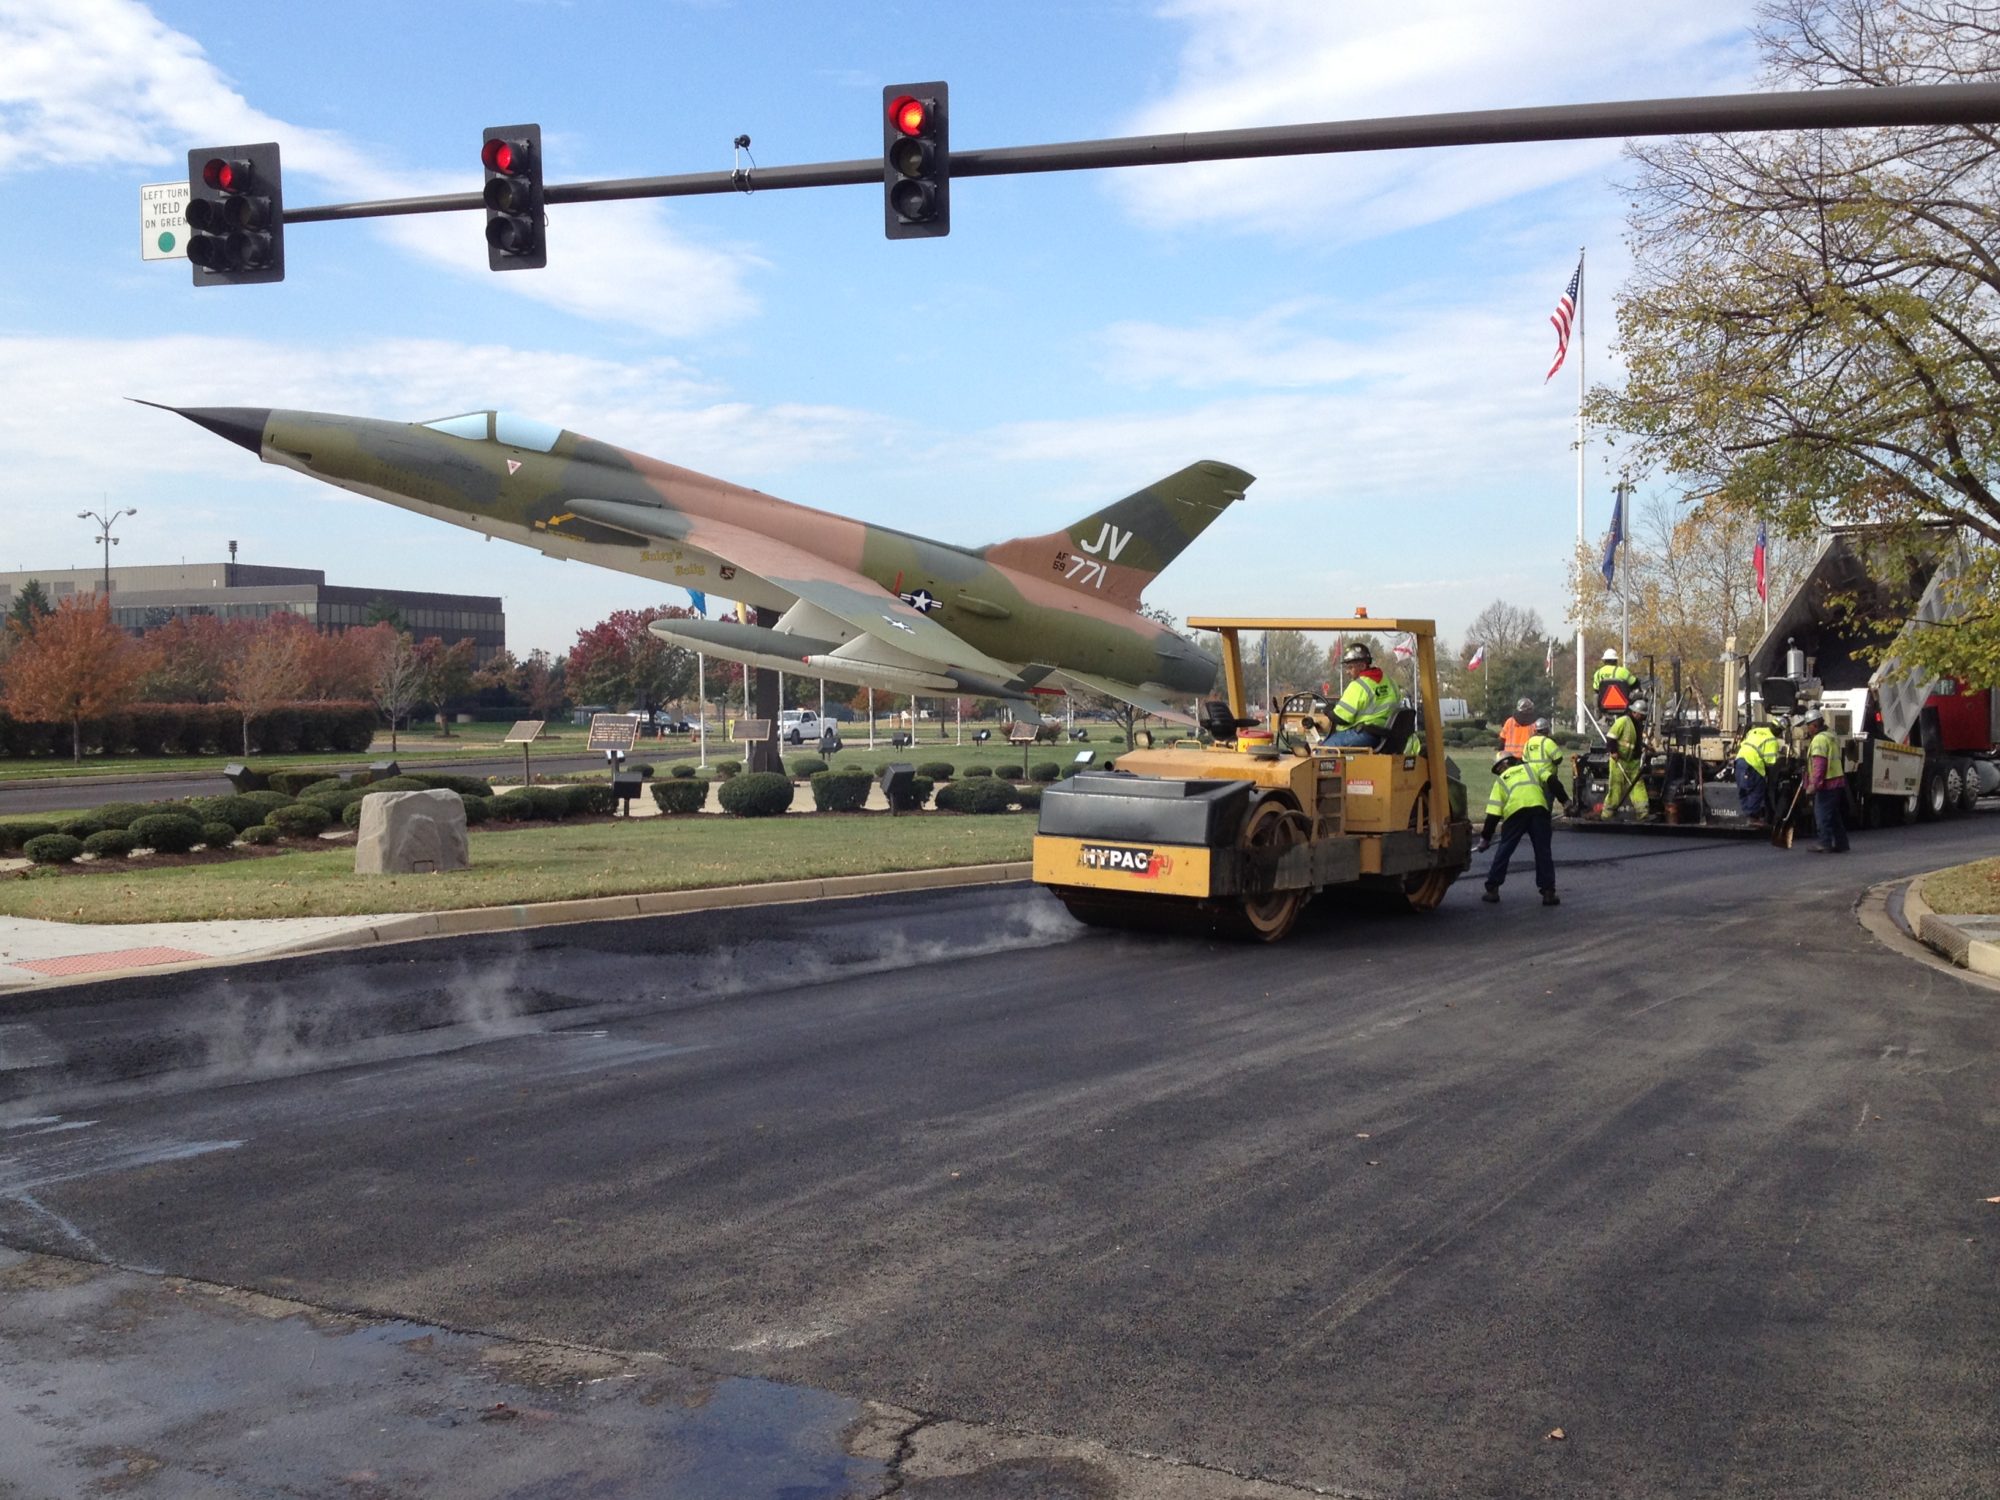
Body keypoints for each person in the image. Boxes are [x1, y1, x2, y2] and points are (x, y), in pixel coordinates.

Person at [1477, 750, 1563, 905]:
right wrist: (1566, 801)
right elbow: (1553, 781)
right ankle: (1548, 892)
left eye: (1498, 769)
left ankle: (1492, 889)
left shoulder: (1501, 781)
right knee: (1543, 852)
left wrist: (1485, 838)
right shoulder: (1532, 768)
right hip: (1538, 811)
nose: (1498, 772)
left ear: (1505, 764)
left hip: (1515, 815)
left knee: (1505, 850)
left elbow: (1493, 814)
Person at [1325, 643, 1401, 746]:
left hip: (1365, 735)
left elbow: (1341, 718)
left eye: (1350, 667)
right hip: (1386, 735)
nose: (1347, 672)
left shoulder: (1358, 686)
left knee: (1322, 751)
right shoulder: (1390, 681)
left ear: (1362, 666)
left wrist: (1328, 711)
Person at [1803, 707, 1850, 853]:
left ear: (1814, 725)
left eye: (1808, 725)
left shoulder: (1819, 740)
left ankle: (1825, 842)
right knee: (1834, 815)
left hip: (1827, 784)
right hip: (1837, 781)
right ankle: (1842, 843)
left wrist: (1813, 785)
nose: (1807, 729)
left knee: (1822, 814)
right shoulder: (1831, 735)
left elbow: (1820, 765)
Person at [1600, 699, 1651, 819]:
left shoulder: (1637, 724)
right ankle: (1607, 815)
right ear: (1635, 712)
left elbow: (1635, 741)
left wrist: (1645, 746)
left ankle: (1643, 814)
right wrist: (1613, 751)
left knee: (1637, 786)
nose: (1643, 717)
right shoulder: (1623, 721)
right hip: (1619, 762)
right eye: (1642, 714)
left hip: (1632, 762)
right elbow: (1611, 737)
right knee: (1616, 788)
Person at [1734, 719, 1783, 824]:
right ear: (1780, 731)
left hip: (1740, 760)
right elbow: (1770, 763)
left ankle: (1746, 814)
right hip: (1753, 764)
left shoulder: (1756, 730)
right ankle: (1752, 817)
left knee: (1743, 789)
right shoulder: (1772, 740)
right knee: (1756, 790)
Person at [1522, 716, 1566, 797]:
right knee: (1547, 801)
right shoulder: (1548, 742)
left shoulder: (1528, 743)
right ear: (1546, 730)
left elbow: (1524, 761)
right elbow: (1558, 759)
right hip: (1548, 779)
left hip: (1532, 779)